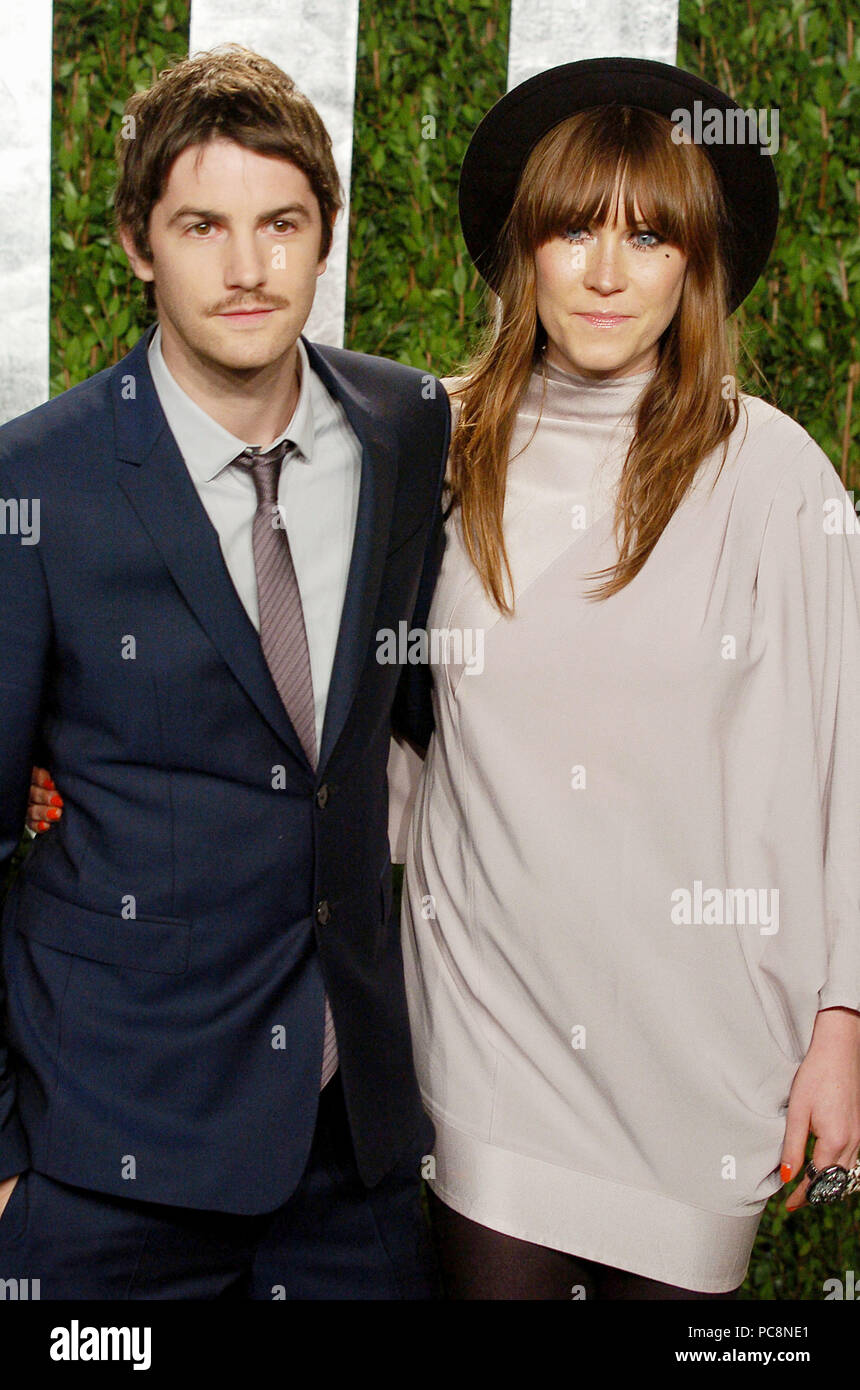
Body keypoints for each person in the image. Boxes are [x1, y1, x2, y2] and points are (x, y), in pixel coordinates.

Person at [385, 58, 860, 1298]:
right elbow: (355, 716)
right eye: (571, 230)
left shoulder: (773, 472)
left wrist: (843, 1023)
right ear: (521, 253)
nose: (605, 272)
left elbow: (843, 758)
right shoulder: (427, 450)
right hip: (493, 1027)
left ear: (692, 266)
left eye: (648, 237)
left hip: (706, 1044)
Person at [0, 44, 449, 1299]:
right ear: (141, 245)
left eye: (281, 224)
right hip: (105, 1158)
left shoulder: (404, 426)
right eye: (202, 224)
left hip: (348, 1148)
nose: (247, 268)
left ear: (324, 237)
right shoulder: (35, 482)